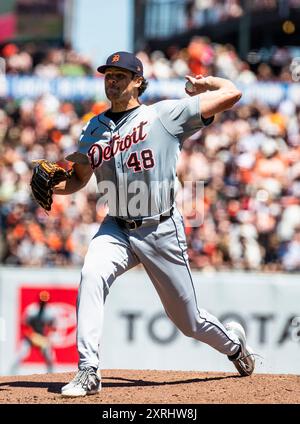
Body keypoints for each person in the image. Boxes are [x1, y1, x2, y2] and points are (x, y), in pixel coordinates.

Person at [54, 51, 255, 397]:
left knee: (187, 320)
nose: (112, 81)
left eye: (120, 75)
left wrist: (208, 83)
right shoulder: (93, 129)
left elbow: (232, 94)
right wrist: (52, 188)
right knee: (91, 274)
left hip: (160, 227)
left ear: (137, 82)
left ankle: (233, 345)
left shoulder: (163, 114)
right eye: (108, 75)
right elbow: (78, 180)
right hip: (115, 226)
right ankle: (88, 370)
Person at [11, 290, 56, 374]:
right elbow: (24, 324)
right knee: (20, 354)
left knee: (49, 357)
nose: (43, 303)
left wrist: (47, 336)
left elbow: (53, 327)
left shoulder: (50, 312)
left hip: (42, 337)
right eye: (42, 301)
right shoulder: (32, 310)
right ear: (39, 300)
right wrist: (31, 335)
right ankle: (11, 375)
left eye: (45, 301)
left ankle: (51, 376)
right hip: (30, 337)